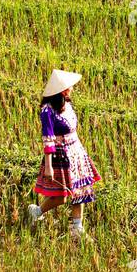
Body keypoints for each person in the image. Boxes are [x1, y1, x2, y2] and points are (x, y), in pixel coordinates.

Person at [27, 70, 101, 236]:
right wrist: (48, 166)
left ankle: (77, 227)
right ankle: (36, 212)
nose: (72, 89)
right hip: (59, 155)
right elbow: (48, 138)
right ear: (63, 90)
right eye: (70, 87)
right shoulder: (47, 111)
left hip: (76, 151)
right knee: (61, 195)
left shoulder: (67, 104)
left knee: (80, 190)